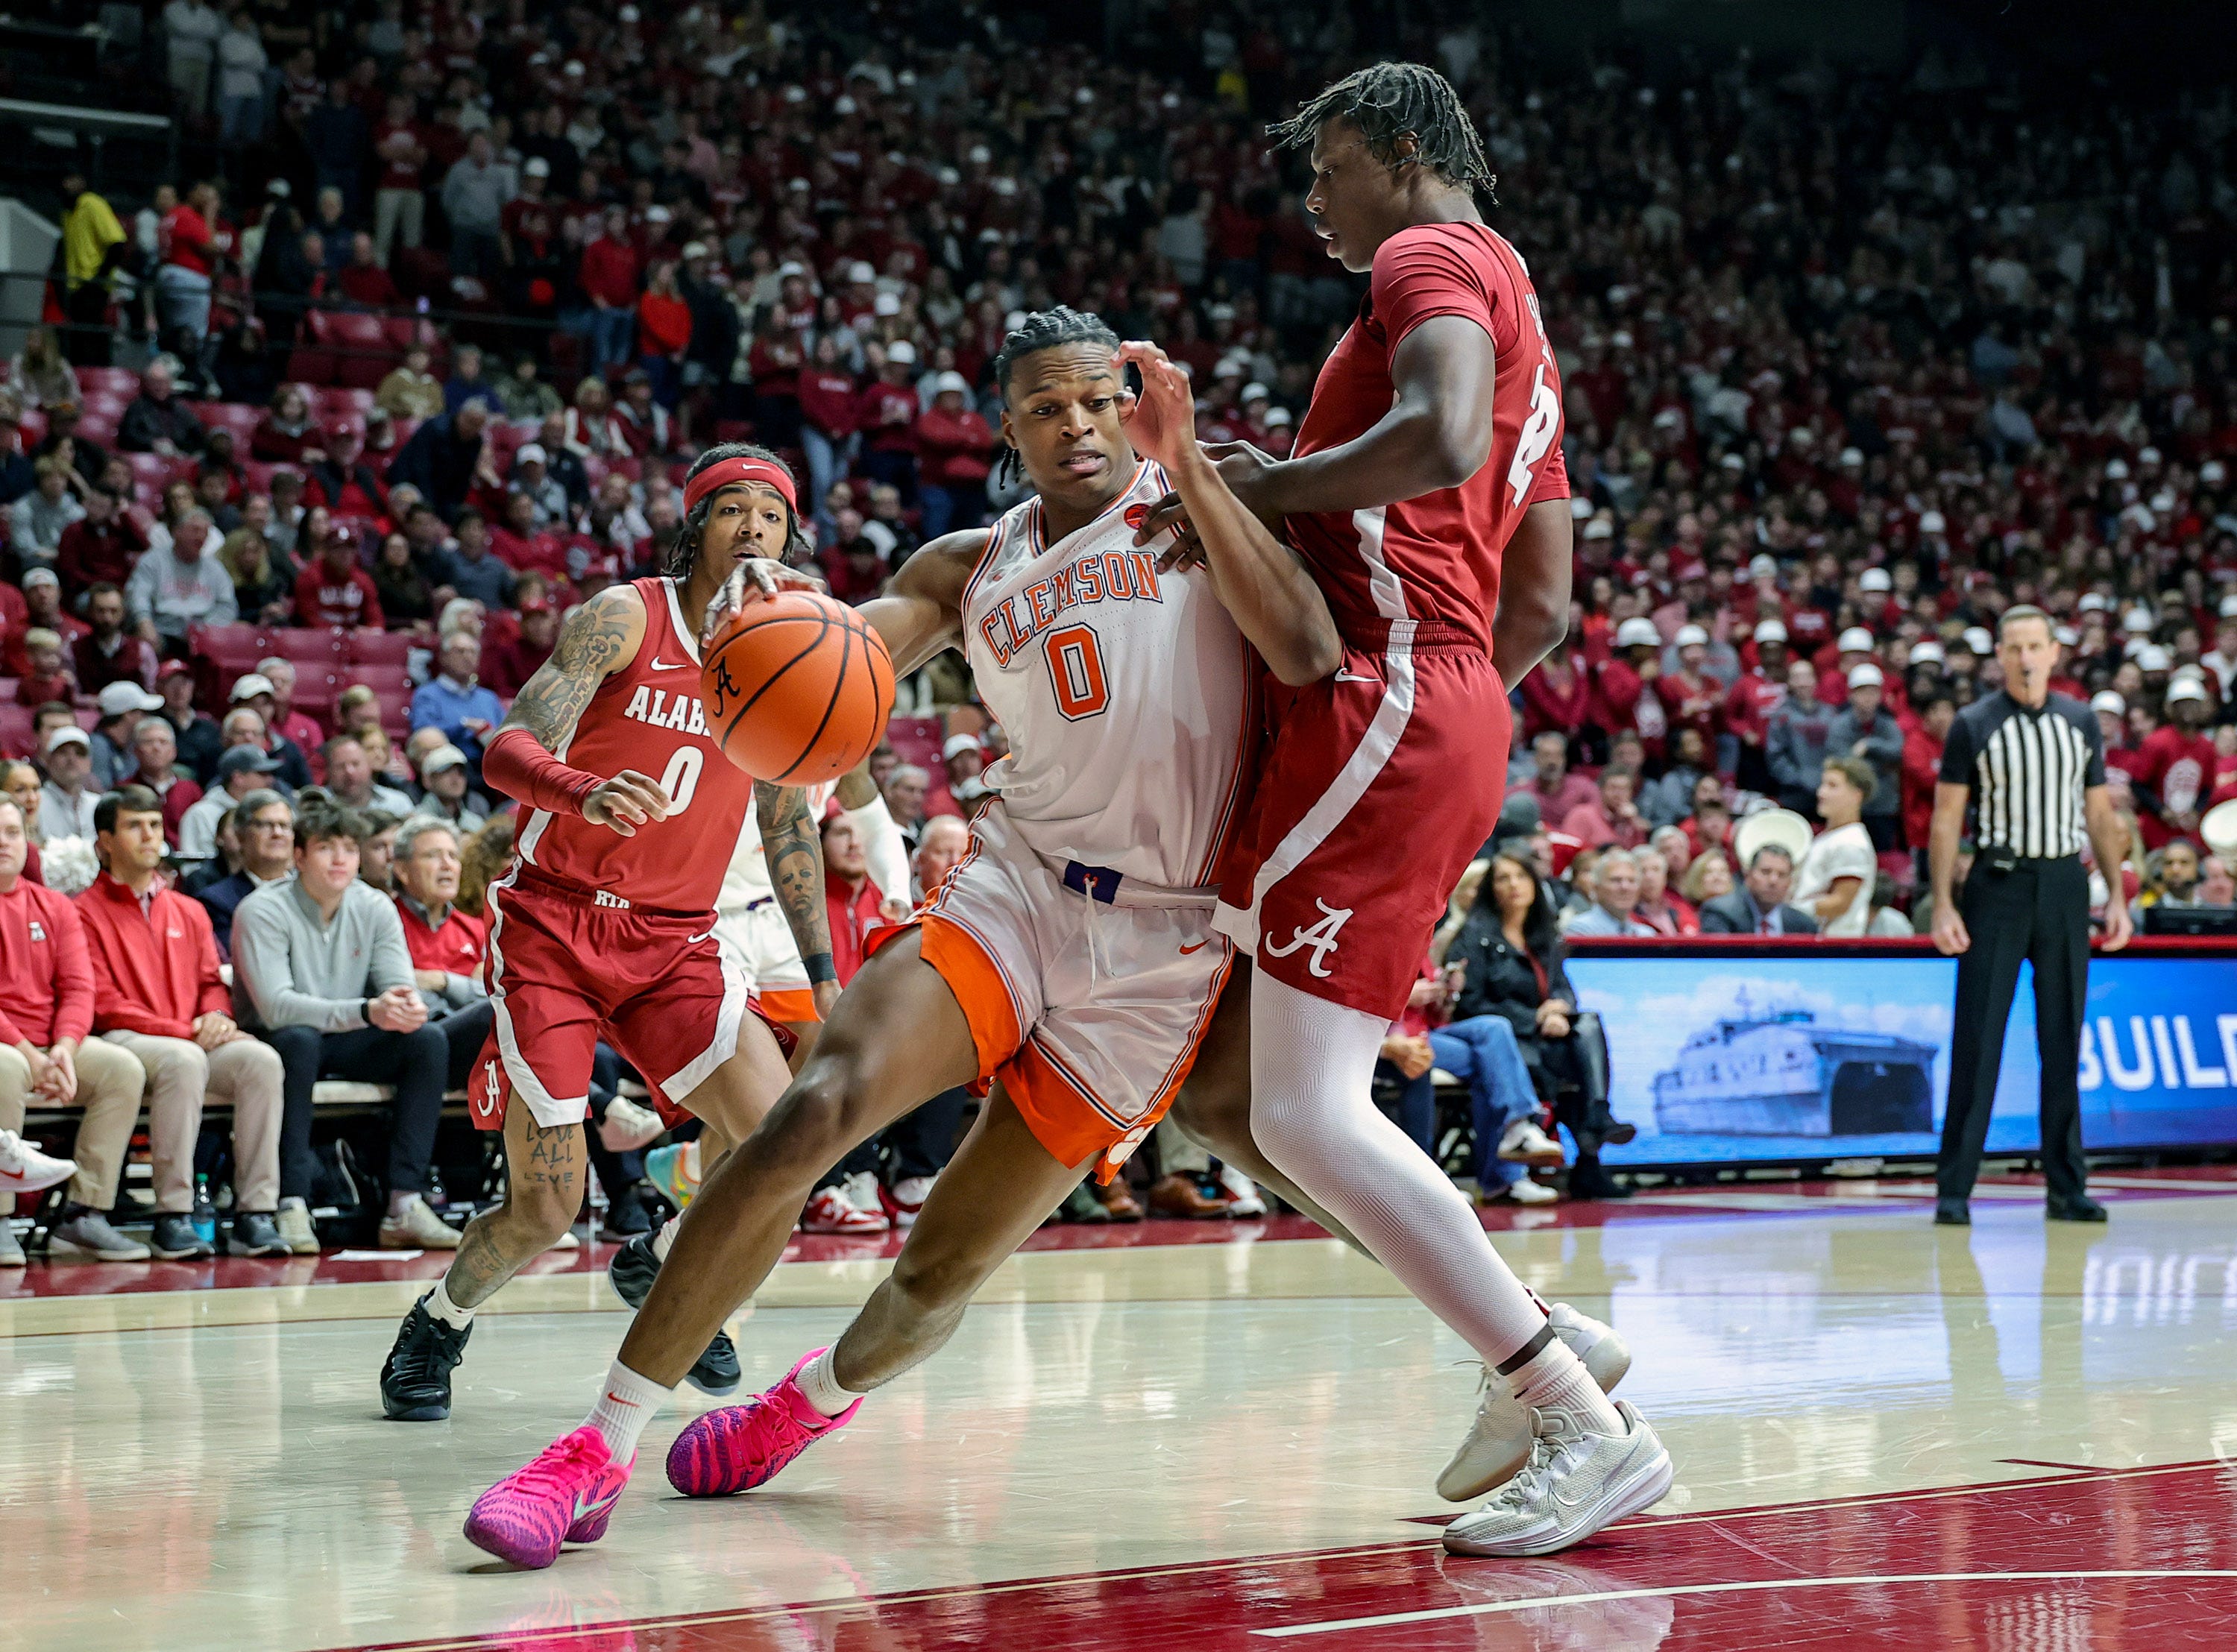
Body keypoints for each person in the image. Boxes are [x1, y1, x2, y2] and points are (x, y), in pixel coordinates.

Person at [460, 309, 1340, 1564]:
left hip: (1160, 951)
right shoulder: (967, 567)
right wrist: (761, 618)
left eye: (1098, 400)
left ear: (1136, 405)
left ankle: (802, 1407)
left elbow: (1308, 650)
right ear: (1007, 430)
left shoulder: (1207, 519)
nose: (1074, 426)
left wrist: (1194, 467)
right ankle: (597, 1446)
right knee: (811, 1111)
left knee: (938, 1275)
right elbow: (833, 658)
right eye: (1043, 408)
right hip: (1019, 890)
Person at [377, 441, 828, 1428]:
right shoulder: (626, 617)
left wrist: (825, 972)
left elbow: (791, 823)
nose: (753, 527)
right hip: (555, 927)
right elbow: (506, 745)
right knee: (546, 1206)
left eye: (773, 514)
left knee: (788, 1141)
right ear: (696, 525)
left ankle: (662, 1263)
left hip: (676, 939)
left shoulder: (785, 652)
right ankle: (439, 1321)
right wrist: (583, 788)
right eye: (731, 509)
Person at [1930, 606, 2132, 1226]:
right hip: (1998, 884)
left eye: (2035, 646)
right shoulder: (1973, 723)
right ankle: (1955, 1189)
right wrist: (1941, 902)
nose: (2024, 657)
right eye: (2013, 646)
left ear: (2053, 652)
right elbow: (1945, 820)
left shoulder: (2079, 721)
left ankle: (2067, 1187)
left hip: (2066, 885)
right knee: (1979, 1038)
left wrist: (2118, 896)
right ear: (2000, 654)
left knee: (2063, 1038)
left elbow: (2100, 816)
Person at [230, 800, 455, 1255]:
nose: (340, 860)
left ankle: (404, 1203)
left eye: (350, 849)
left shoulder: (374, 906)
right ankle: (290, 1201)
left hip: (349, 1035)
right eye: (325, 848)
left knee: (427, 1040)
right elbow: (276, 1008)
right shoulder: (261, 909)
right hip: (277, 1041)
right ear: (298, 858)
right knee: (298, 1041)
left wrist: (402, 1006)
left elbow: (398, 984)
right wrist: (368, 1011)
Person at [78, 787, 290, 1259]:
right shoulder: (82, 911)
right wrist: (186, 1030)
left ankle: (256, 1212)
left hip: (189, 1036)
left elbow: (212, 981)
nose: (150, 835)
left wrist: (217, 1014)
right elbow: (103, 1003)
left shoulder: (188, 908)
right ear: (104, 842)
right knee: (184, 1060)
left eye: (155, 824)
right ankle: (171, 1214)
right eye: (135, 826)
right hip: (124, 1040)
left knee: (260, 1061)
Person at [0, 797, 153, 1261]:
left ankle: (83, 1213)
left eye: (11, 832)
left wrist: (65, 1049)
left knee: (121, 1068)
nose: (4, 843)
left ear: (27, 840)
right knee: (4, 1068)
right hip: (11, 1048)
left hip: (52, 1046)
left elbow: (79, 988)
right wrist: (31, 1056)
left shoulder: (54, 906)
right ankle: (1, 1217)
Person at [1447, 851, 1632, 1217]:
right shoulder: (1474, 936)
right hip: (1509, 1038)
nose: (1514, 885)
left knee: (1588, 1024)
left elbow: (1563, 989)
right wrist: (1535, 1017)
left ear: (1535, 885)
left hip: (1544, 1035)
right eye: (1503, 879)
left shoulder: (1545, 937)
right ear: (1491, 889)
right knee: (1568, 1062)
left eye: (1521, 877)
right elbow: (1471, 1004)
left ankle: (1597, 1119)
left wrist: (1559, 1008)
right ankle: (1588, 1151)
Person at [1792, 757, 1879, 935]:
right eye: (1822, 784)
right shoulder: (1829, 837)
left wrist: (1791, 911)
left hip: (1834, 944)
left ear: (1857, 795)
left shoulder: (1852, 842)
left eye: (1832, 786)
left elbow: (1840, 902)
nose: (1821, 793)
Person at [177, 745, 284, 874]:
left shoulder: (273, 813)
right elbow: (193, 870)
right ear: (238, 778)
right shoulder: (201, 814)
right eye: (262, 774)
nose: (270, 780)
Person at [1698, 842, 1819, 936]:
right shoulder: (1720, 913)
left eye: (1782, 875)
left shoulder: (1804, 925)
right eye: (1766, 872)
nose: (1773, 881)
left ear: (1790, 882)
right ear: (1748, 876)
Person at [1560, 847, 1659, 937]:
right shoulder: (1580, 930)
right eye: (1616, 880)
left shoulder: (1646, 934)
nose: (1625, 887)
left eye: (1632, 881)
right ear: (1596, 888)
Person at [38, 725, 101, 844]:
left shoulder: (98, 804)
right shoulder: (35, 802)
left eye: (79, 753)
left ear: (89, 763)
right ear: (48, 760)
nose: (72, 759)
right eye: (63, 752)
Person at [411, 745, 487, 832]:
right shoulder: (417, 823)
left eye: (460, 772)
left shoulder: (476, 823)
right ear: (427, 780)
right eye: (446, 772)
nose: (456, 779)